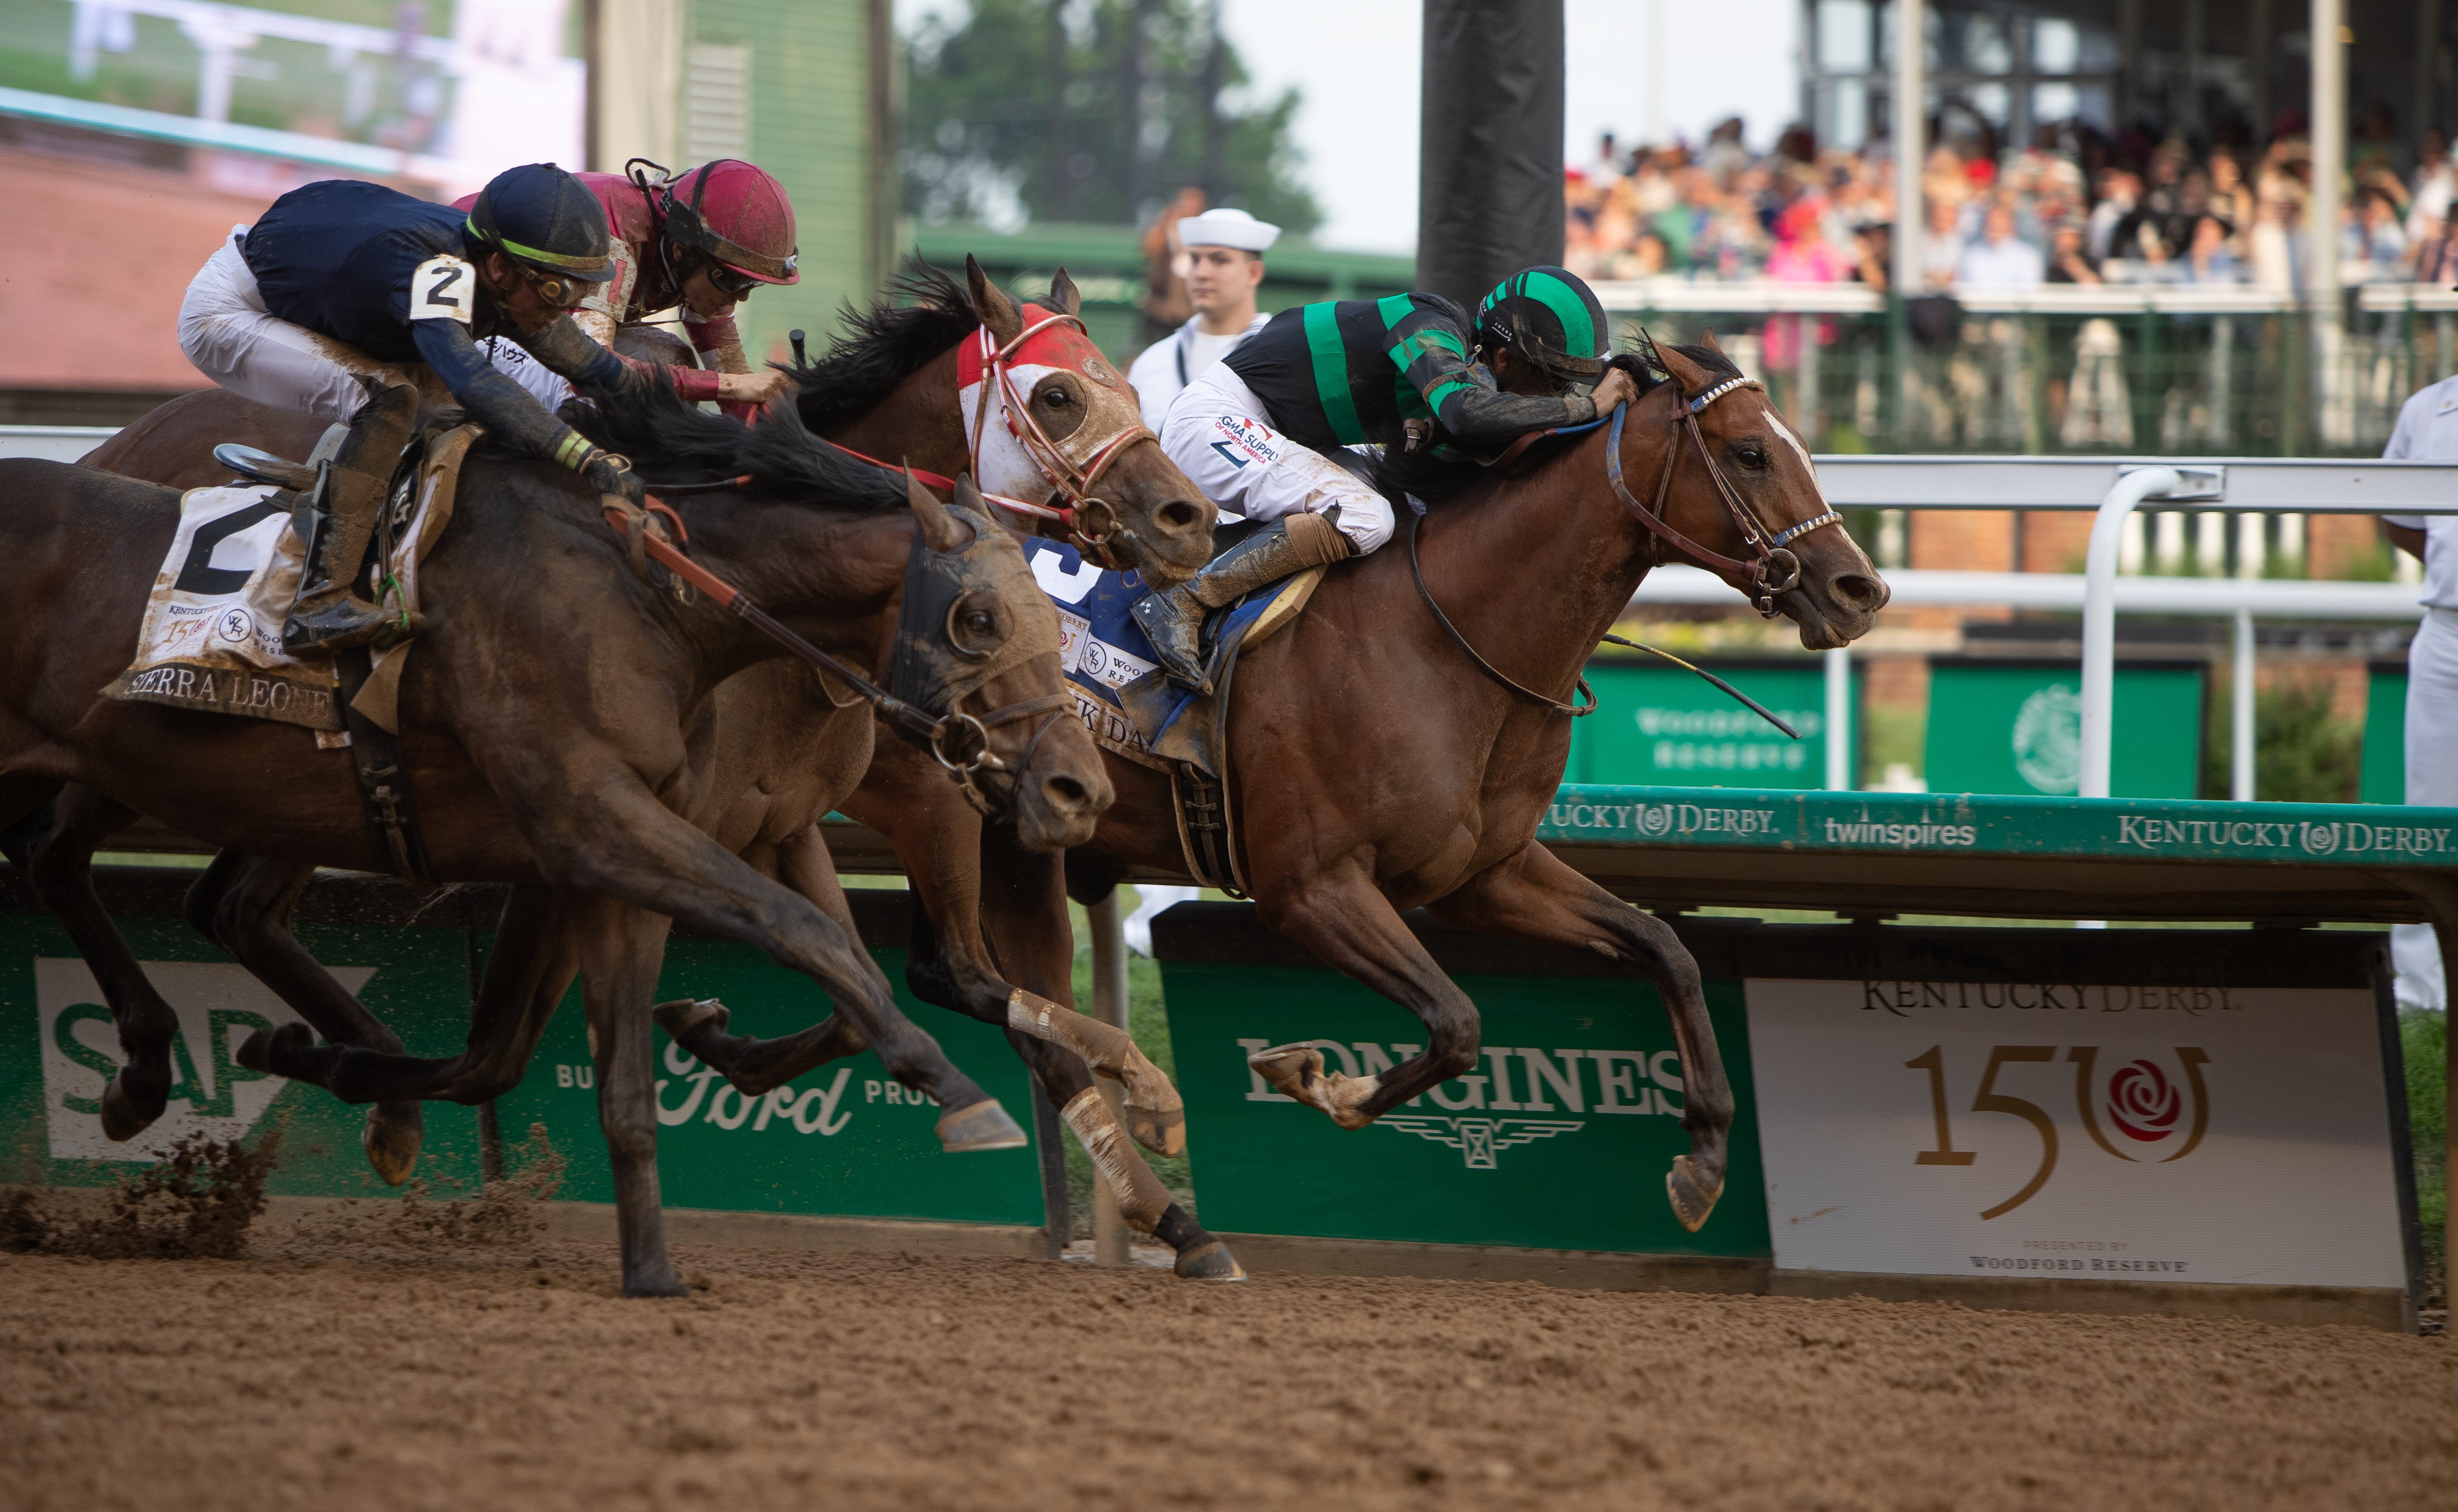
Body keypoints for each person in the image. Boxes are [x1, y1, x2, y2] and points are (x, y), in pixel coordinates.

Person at [177, 164, 652, 653]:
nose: (565, 305)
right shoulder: (437, 272)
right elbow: (473, 381)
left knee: (452, 414)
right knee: (391, 400)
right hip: (232, 312)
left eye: (578, 290)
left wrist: (659, 410)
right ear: (500, 268)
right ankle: (319, 601)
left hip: (305, 278)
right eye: (557, 290)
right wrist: (587, 459)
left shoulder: (493, 271)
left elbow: (587, 360)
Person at [1140, 265, 1634, 690]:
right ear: (1504, 360)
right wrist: (1588, 405)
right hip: (1216, 419)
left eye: (1572, 386)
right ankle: (1185, 600)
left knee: (1403, 521)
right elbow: (1466, 412)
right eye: (1557, 382)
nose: (1563, 394)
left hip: (1285, 434)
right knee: (1365, 516)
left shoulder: (1464, 369)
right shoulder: (1427, 322)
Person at [451, 158, 799, 419]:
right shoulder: (619, 238)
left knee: (672, 364)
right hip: (465, 313)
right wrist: (729, 385)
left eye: (751, 283)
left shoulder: (694, 254)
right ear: (683, 252)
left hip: (515, 323)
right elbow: (590, 369)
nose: (741, 296)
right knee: (660, 362)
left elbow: (741, 397)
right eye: (732, 280)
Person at [2383, 384, 2458, 1011]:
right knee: (2427, 818)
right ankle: (2421, 997)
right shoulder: (2427, 408)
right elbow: (2397, 515)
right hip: (2447, 633)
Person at [1125, 208, 1280, 430]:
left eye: (1220, 260)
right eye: (1195, 259)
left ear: (1254, 273)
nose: (1201, 273)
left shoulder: (1281, 356)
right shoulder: (1152, 362)